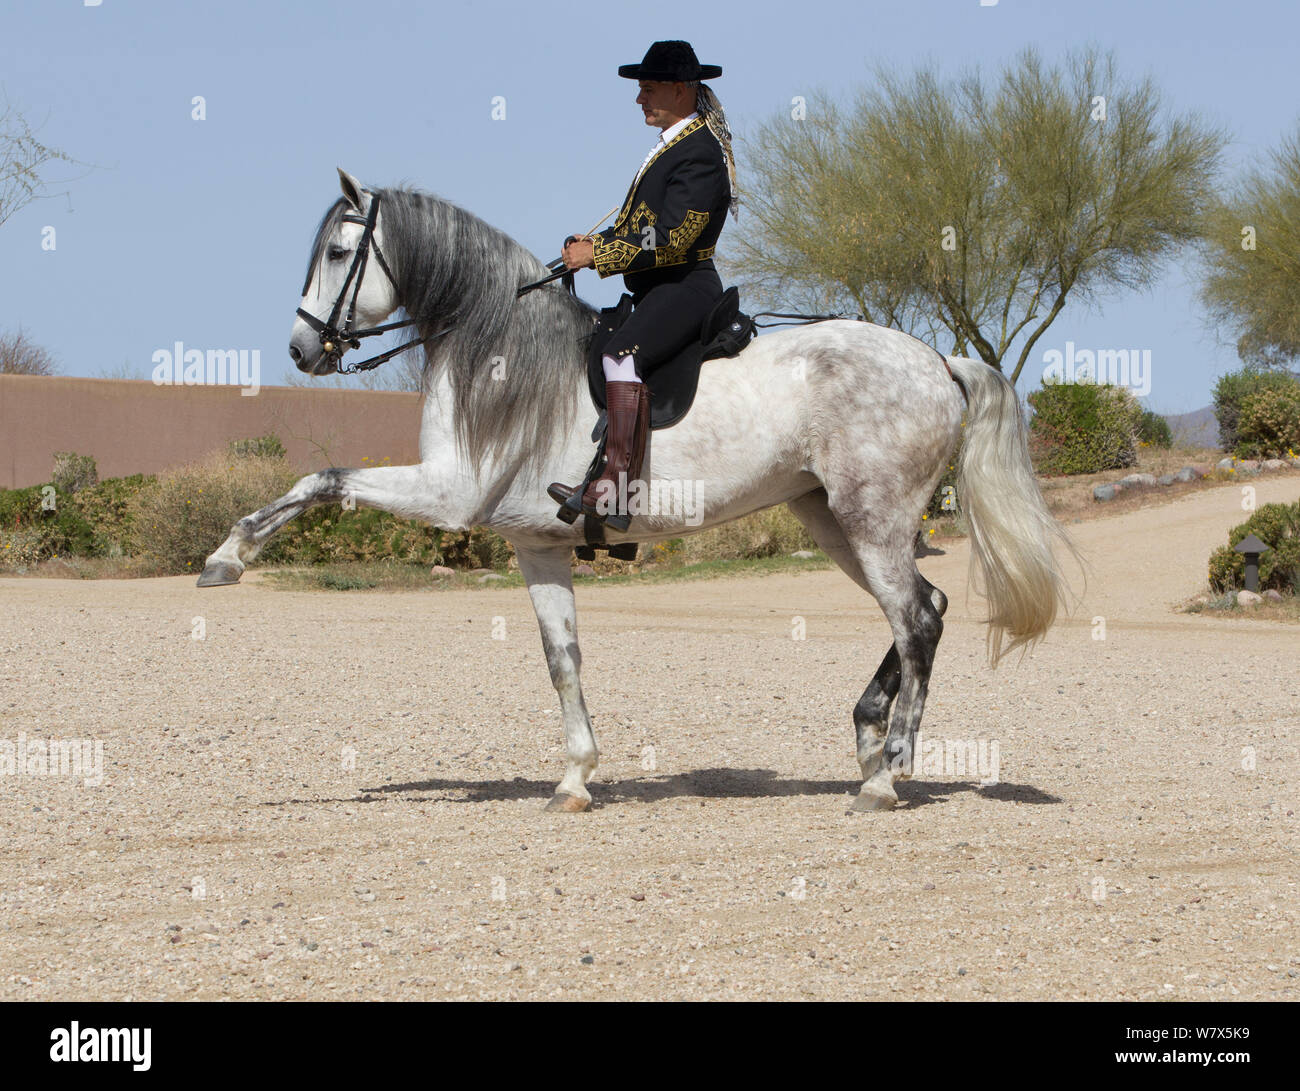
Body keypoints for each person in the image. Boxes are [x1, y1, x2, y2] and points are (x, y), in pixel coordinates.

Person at [547, 40, 737, 527]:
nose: (639, 100)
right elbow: (646, 227)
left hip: (686, 287)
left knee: (621, 356)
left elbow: (676, 238)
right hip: (656, 289)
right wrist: (591, 246)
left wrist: (601, 255)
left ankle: (616, 489)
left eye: (648, 89)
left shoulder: (699, 153)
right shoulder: (671, 147)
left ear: (680, 90)